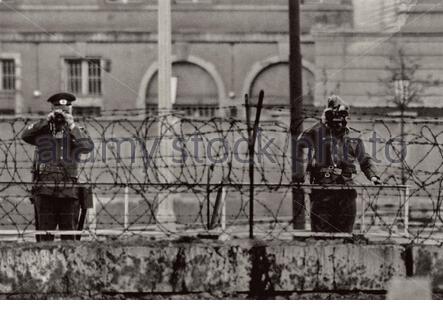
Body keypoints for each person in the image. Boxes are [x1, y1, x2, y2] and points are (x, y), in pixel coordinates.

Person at [295, 95, 381, 233]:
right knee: (321, 235)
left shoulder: (354, 137)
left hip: (346, 192)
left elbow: (365, 160)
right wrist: (322, 122)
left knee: (345, 235)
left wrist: (374, 176)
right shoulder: (319, 133)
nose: (338, 123)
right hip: (323, 192)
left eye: (341, 118)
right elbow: (300, 142)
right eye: (334, 119)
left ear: (346, 118)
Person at [22, 92, 94, 241]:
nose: (62, 116)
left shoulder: (77, 132)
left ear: (71, 111)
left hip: (69, 192)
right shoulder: (43, 131)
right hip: (45, 191)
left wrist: (72, 125)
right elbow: (25, 135)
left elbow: (87, 147)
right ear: (52, 110)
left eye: (66, 111)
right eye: (59, 111)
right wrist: (46, 121)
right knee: (44, 238)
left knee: (70, 238)